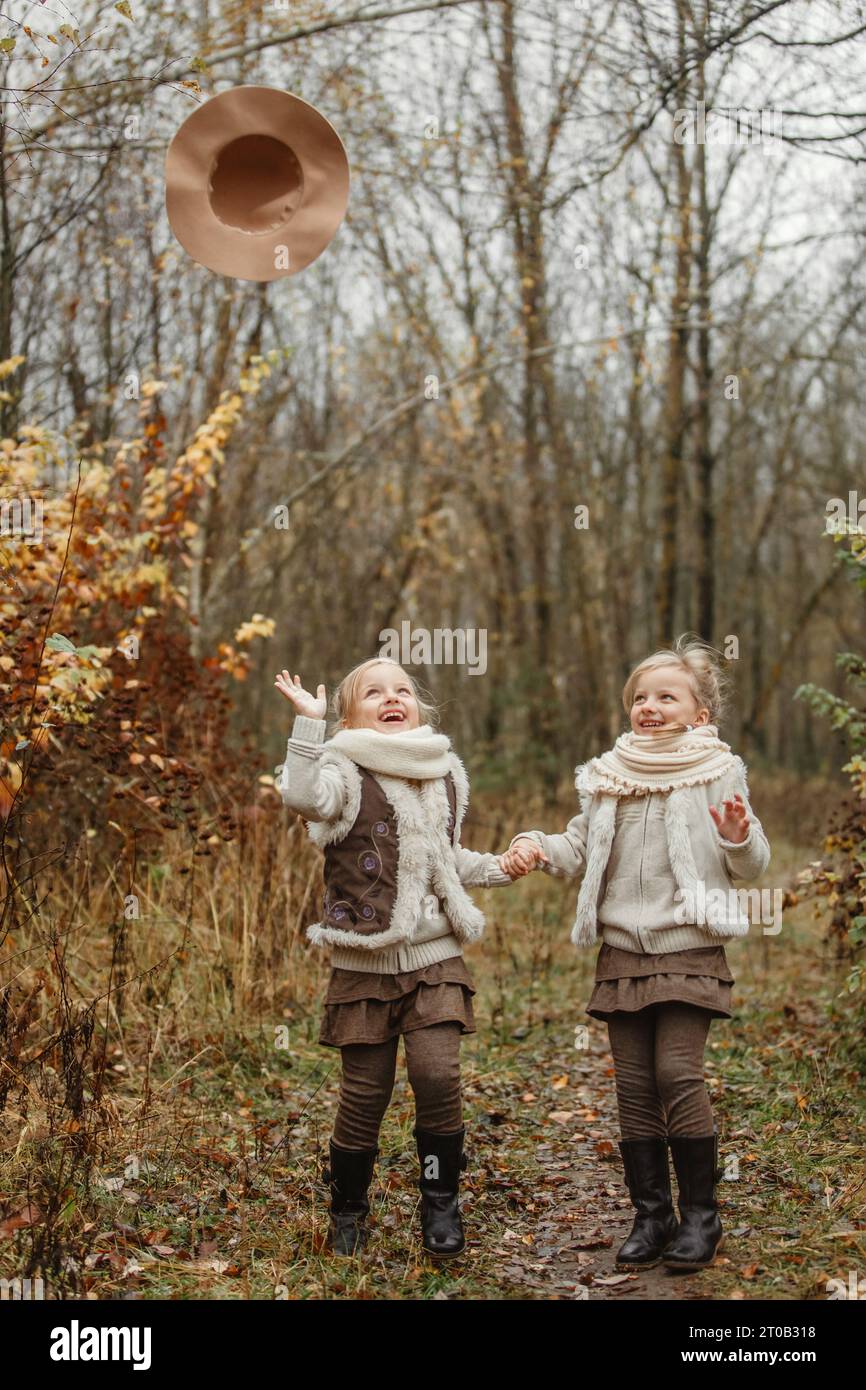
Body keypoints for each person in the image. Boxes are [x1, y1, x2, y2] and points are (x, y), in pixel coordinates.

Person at [501, 636, 770, 1273]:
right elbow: (578, 847)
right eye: (639, 697)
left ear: (699, 713)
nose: (649, 707)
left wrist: (738, 837)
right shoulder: (605, 775)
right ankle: (652, 1216)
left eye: (665, 697)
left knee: (678, 1073)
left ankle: (702, 1217)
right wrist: (534, 846)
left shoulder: (717, 770)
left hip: (688, 945)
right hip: (623, 950)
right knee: (635, 1086)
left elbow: (753, 862)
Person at [274, 657, 516, 1259]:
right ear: (350, 715)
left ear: (418, 706)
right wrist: (308, 726)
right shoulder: (342, 771)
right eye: (373, 692)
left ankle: (440, 1201)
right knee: (365, 1093)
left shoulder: (443, 772)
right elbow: (303, 798)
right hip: (364, 963)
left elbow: (445, 857)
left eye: (402, 689)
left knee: (438, 1076)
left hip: (435, 959)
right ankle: (348, 1210)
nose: (392, 697)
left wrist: (497, 867)